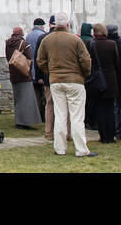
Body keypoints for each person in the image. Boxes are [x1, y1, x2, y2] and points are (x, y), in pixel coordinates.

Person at [35, 11, 95, 157]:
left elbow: (40, 60)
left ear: (55, 23)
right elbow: (86, 60)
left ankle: (60, 148)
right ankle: (81, 149)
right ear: (68, 24)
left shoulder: (47, 40)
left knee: (60, 115)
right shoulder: (75, 40)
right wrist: (84, 74)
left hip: (56, 81)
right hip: (75, 81)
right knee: (76, 116)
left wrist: (50, 71)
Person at [5, 26, 42, 128]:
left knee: (17, 99)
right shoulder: (24, 44)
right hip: (24, 74)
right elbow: (30, 58)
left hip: (13, 74)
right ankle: (25, 122)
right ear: (21, 33)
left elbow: (9, 57)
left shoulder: (8, 44)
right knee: (26, 99)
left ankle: (18, 121)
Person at [89, 23, 119, 143]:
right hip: (110, 78)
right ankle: (111, 136)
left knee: (100, 108)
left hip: (96, 79)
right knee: (110, 108)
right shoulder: (112, 44)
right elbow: (116, 61)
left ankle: (103, 136)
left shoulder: (91, 44)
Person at [26, 17, 48, 119]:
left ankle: (35, 114)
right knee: (44, 93)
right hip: (40, 68)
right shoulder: (42, 35)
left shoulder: (28, 36)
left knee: (36, 94)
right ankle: (42, 115)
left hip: (31, 68)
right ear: (42, 25)